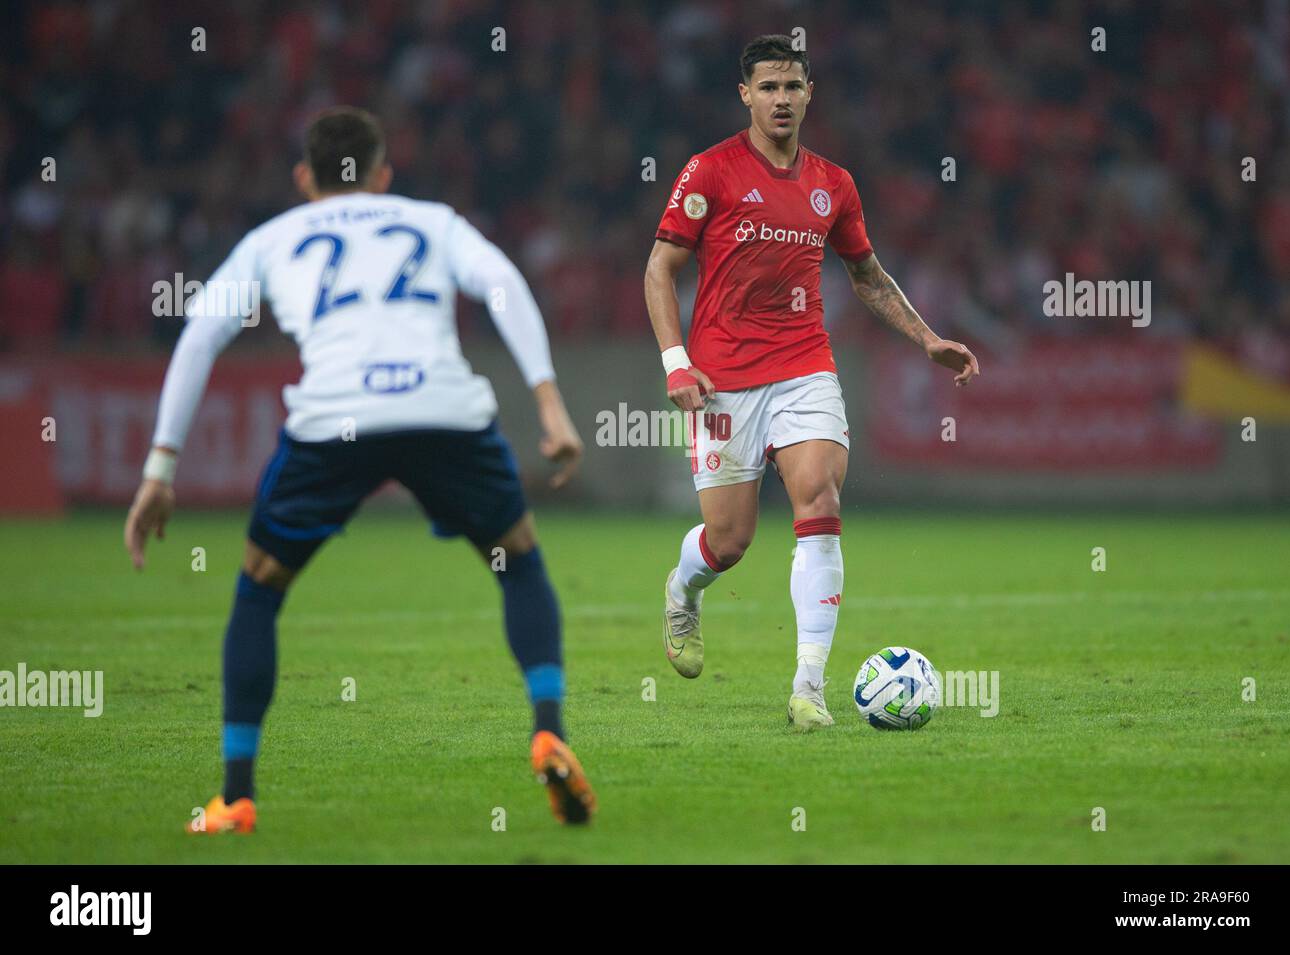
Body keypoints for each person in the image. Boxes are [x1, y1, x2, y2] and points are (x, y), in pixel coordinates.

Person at [124, 107, 596, 829]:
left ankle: (238, 795)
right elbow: (502, 281)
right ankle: (548, 730)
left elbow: (200, 335)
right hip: (443, 410)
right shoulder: (432, 220)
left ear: (303, 177)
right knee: (519, 561)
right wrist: (550, 403)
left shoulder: (272, 238)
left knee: (259, 589)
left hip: (334, 418)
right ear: (382, 174)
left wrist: (161, 466)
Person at [646, 35, 980, 728]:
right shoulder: (709, 171)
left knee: (819, 497)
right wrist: (677, 362)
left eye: (792, 87)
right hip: (722, 379)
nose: (780, 99)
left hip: (804, 366)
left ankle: (809, 687)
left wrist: (928, 338)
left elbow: (867, 275)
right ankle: (684, 586)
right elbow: (659, 269)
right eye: (767, 87)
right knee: (729, 541)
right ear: (745, 94)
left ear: (809, 95)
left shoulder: (835, 184)